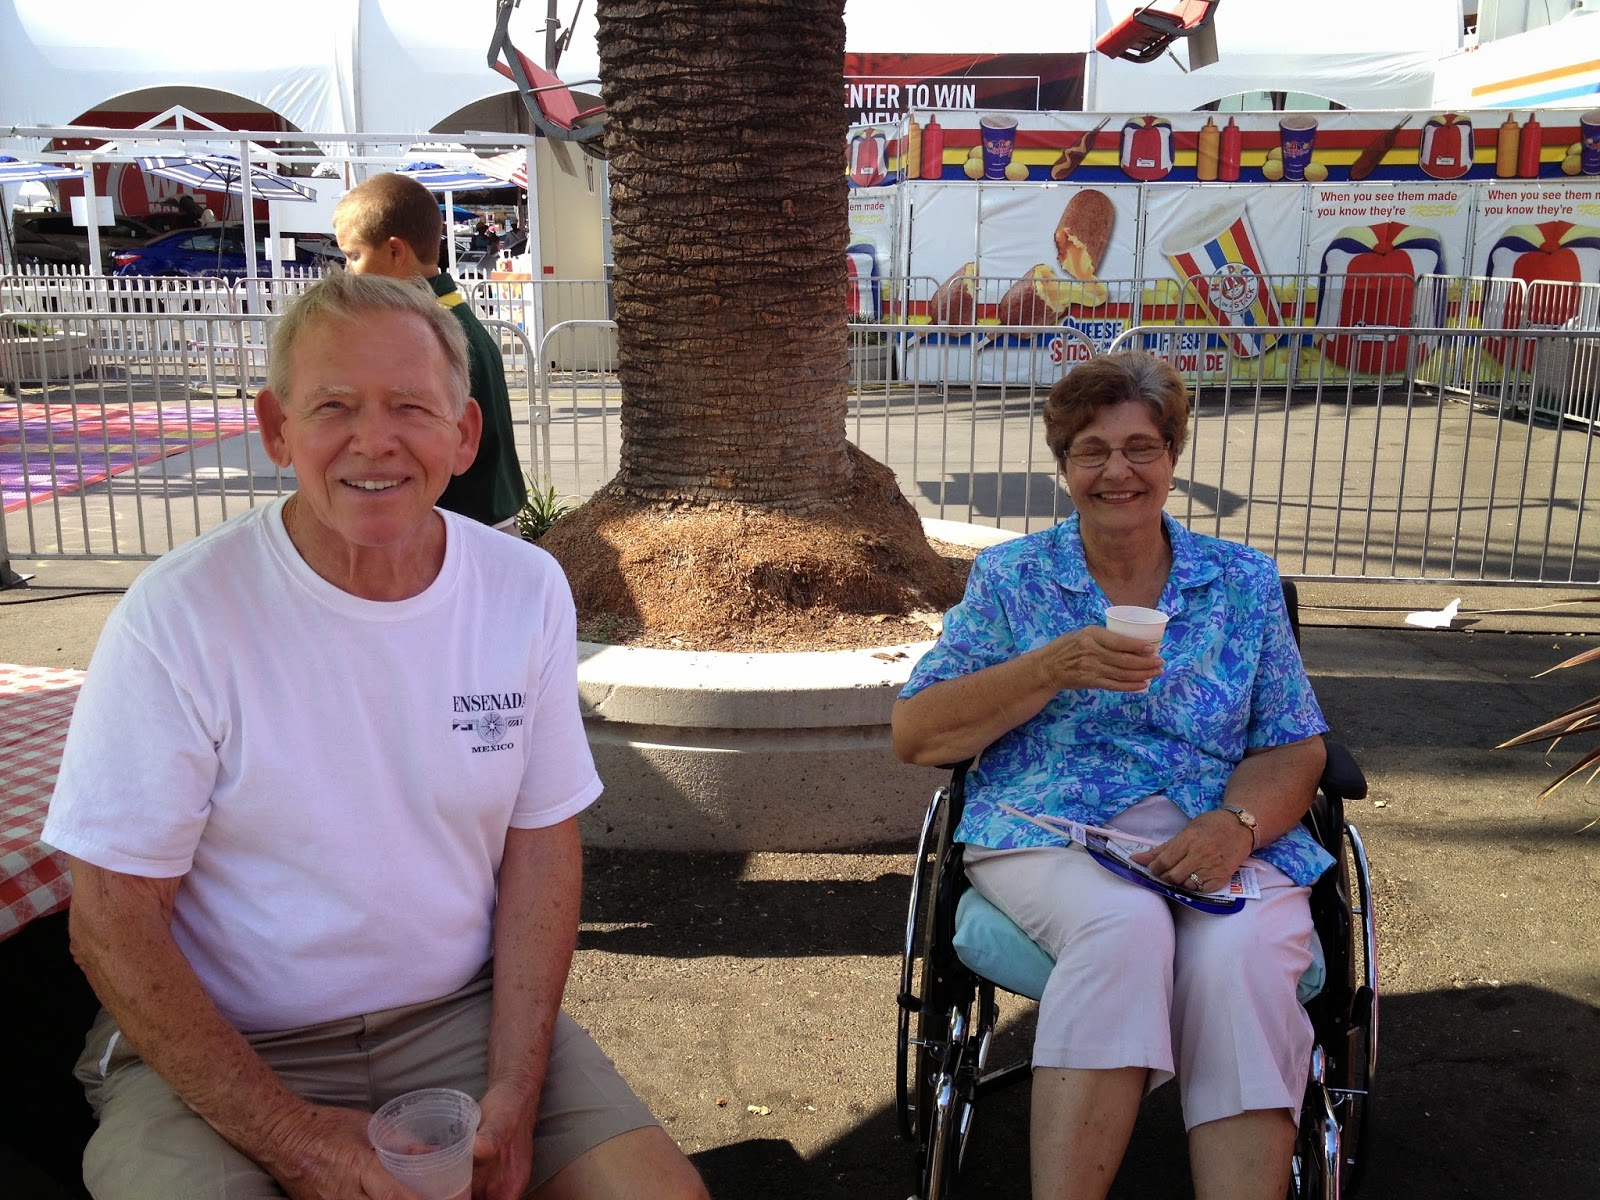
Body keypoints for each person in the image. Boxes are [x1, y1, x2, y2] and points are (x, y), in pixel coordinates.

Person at [44, 272, 708, 1200]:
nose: (374, 440)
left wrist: (516, 1090)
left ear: (464, 434)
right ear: (277, 428)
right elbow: (110, 918)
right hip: (224, 1046)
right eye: (334, 407)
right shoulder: (182, 612)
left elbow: (542, 846)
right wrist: (294, 1139)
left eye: (409, 406)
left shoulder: (523, 588)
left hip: (459, 1016)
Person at [891, 351, 1331, 1200]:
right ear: (1064, 466)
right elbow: (916, 733)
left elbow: (1294, 745)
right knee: (1125, 927)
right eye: (1092, 450)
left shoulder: (1241, 581)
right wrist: (1047, 668)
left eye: (1140, 448)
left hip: (1212, 831)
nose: (1118, 471)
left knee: (1239, 958)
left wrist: (1237, 826)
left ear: (1172, 457)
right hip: (1048, 829)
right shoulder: (1014, 579)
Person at [333, 172, 528, 530]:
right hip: (483, 522)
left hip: (461, 528)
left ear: (395, 252)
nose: (348, 271)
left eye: (354, 255)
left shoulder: (422, 335)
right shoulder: (452, 316)